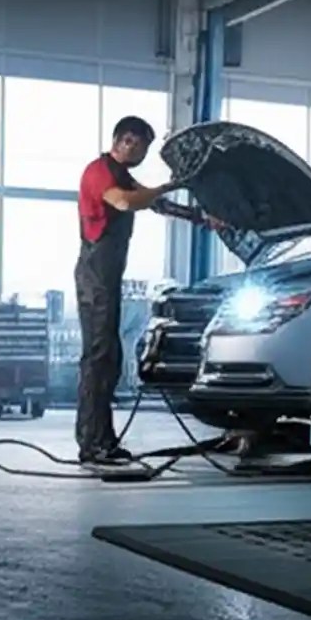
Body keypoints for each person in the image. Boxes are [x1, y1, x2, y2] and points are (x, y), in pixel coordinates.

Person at [73, 116, 220, 465]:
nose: (142, 154)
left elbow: (155, 204)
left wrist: (203, 218)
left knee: (108, 360)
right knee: (98, 359)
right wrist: (169, 185)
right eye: (143, 147)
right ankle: (92, 444)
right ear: (127, 141)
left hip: (106, 279)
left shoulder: (120, 175)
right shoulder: (99, 172)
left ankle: (102, 441)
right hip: (95, 278)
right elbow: (126, 202)